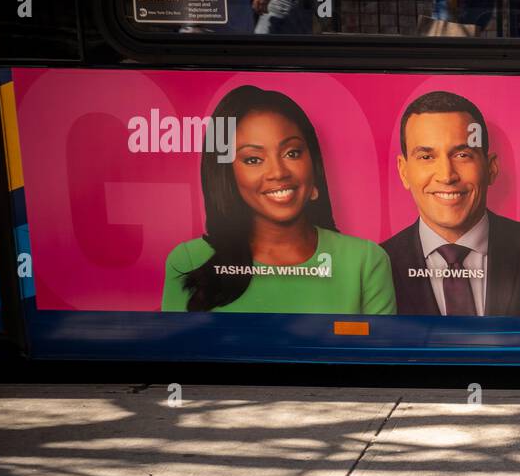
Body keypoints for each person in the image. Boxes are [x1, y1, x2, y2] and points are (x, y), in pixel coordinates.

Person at [162, 86, 395, 314]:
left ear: (313, 164)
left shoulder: (365, 261)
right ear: (226, 175)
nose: (278, 172)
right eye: (253, 159)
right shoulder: (189, 261)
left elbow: (377, 353)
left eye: (292, 153)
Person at [381, 91, 520, 317]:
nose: (446, 175)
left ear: (491, 167)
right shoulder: (379, 265)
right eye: (426, 157)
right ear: (404, 172)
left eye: (462, 155)